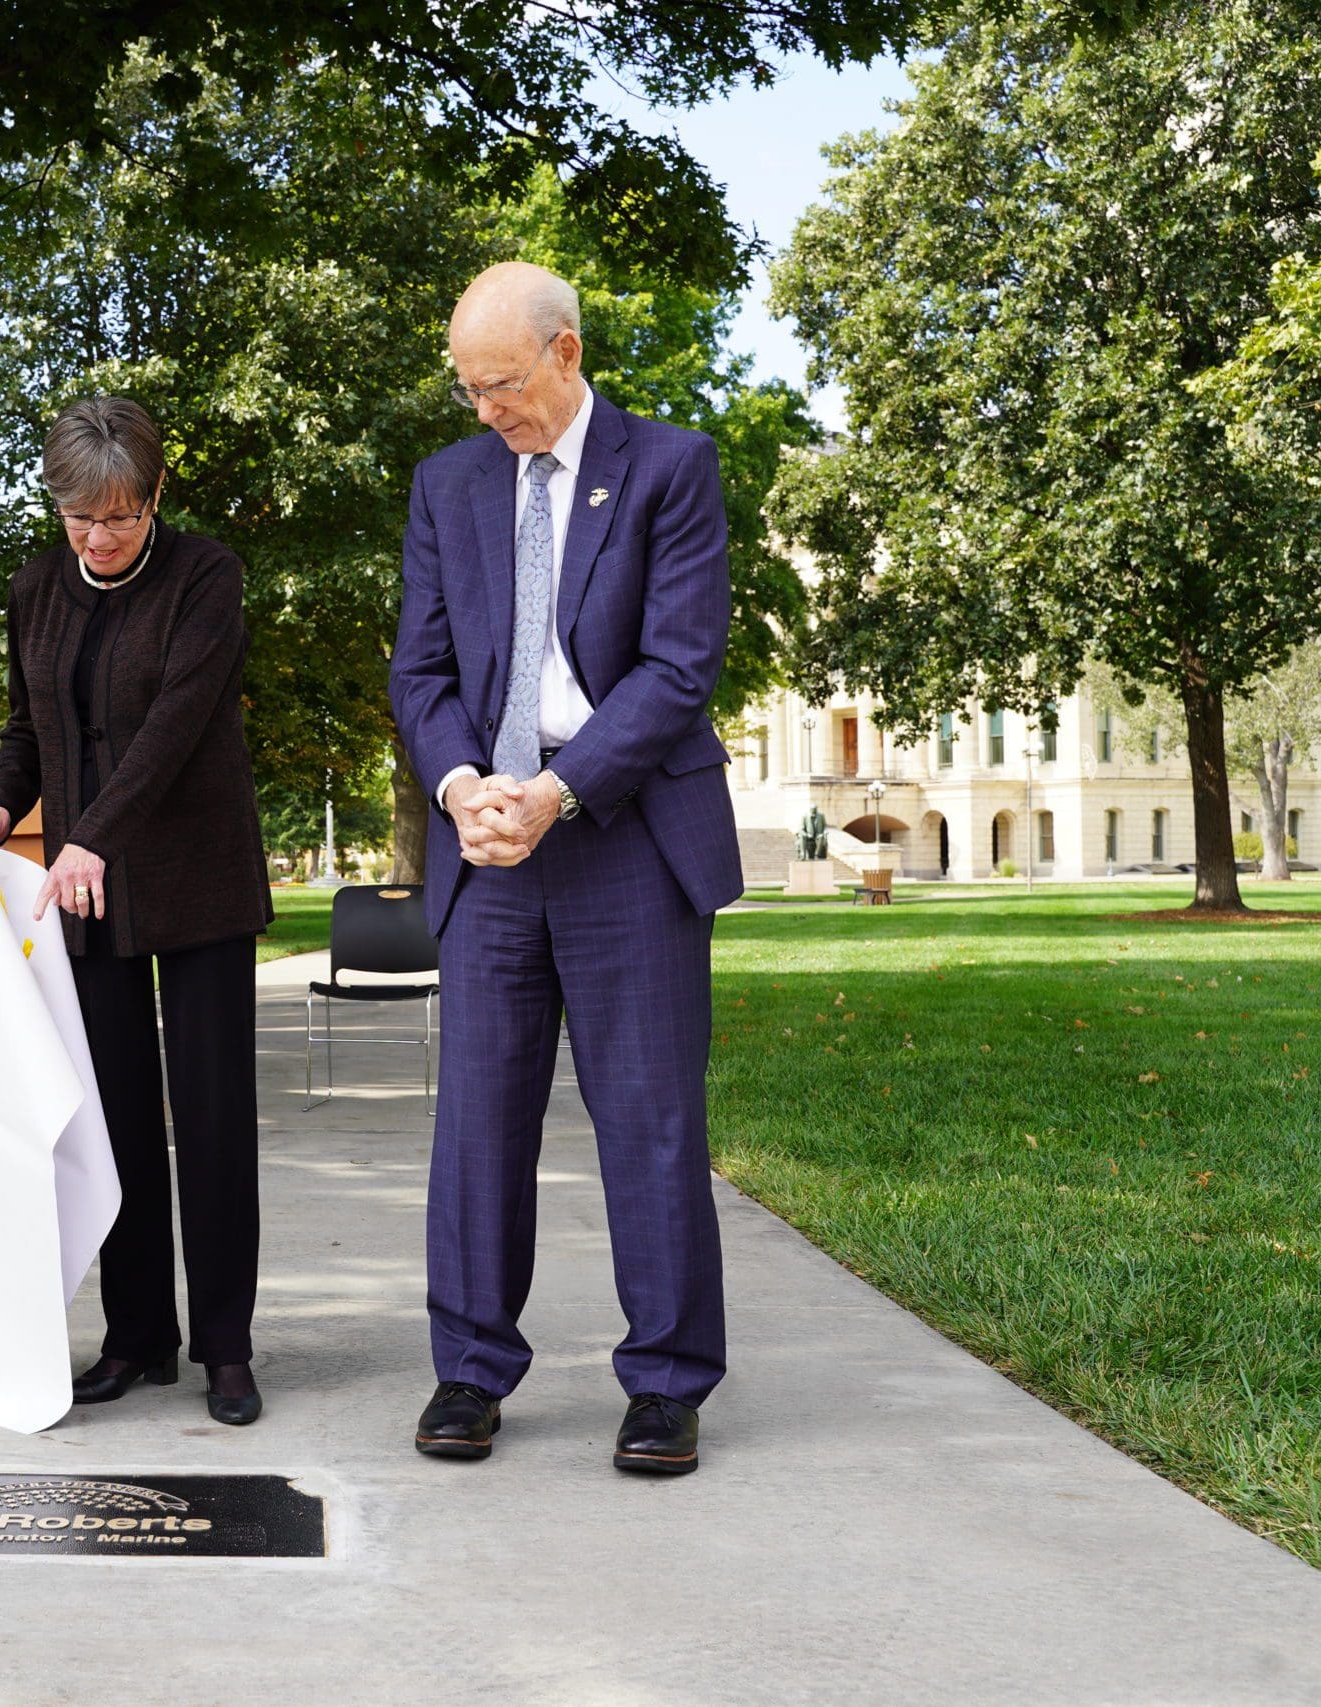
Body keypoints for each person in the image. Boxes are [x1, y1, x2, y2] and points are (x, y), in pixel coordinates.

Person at [389, 263, 744, 1473]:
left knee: (647, 1119)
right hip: (488, 844)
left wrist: (555, 789)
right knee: (477, 1122)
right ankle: (470, 1371)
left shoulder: (670, 469)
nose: (487, 410)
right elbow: (421, 676)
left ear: (566, 354)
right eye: (469, 389)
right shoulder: (447, 486)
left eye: (501, 384)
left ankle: (665, 1383)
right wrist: (461, 789)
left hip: (622, 836)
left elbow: (675, 669)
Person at [0, 398, 272, 1426]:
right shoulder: (32, 591)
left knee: (214, 1118)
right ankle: (137, 1336)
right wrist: (7, 803)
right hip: (82, 897)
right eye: (80, 516)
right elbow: (30, 720)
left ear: (155, 499)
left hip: (195, 880)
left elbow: (177, 728)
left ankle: (226, 1347)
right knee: (112, 1121)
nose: (99, 537)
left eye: (121, 516)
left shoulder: (206, 576)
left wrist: (91, 831)